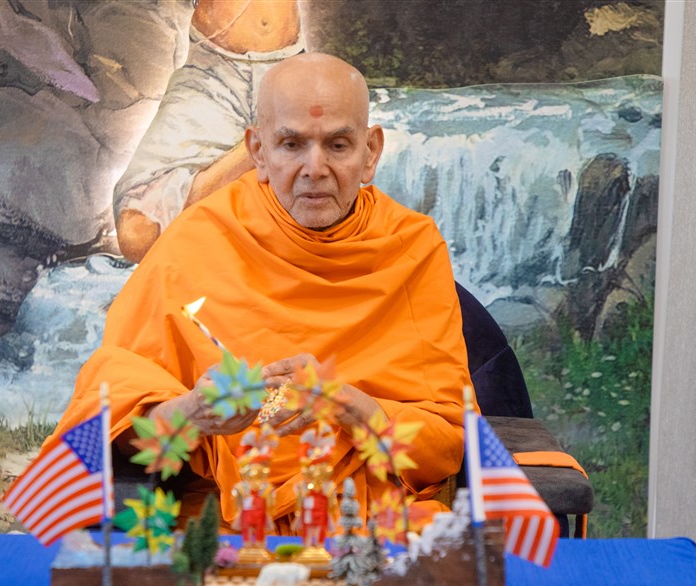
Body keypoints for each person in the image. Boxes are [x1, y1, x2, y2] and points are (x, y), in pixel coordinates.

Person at [48, 53, 472, 533]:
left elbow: (445, 448)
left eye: (338, 144)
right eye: (291, 144)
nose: (315, 168)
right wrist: (192, 414)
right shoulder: (197, 242)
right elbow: (129, 434)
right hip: (220, 518)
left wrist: (345, 405)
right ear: (257, 151)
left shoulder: (411, 248)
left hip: (369, 517)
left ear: (370, 152)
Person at [113, 0, 304, 263]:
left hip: (288, 72)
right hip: (211, 75)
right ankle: (260, 148)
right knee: (136, 234)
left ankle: (269, 149)